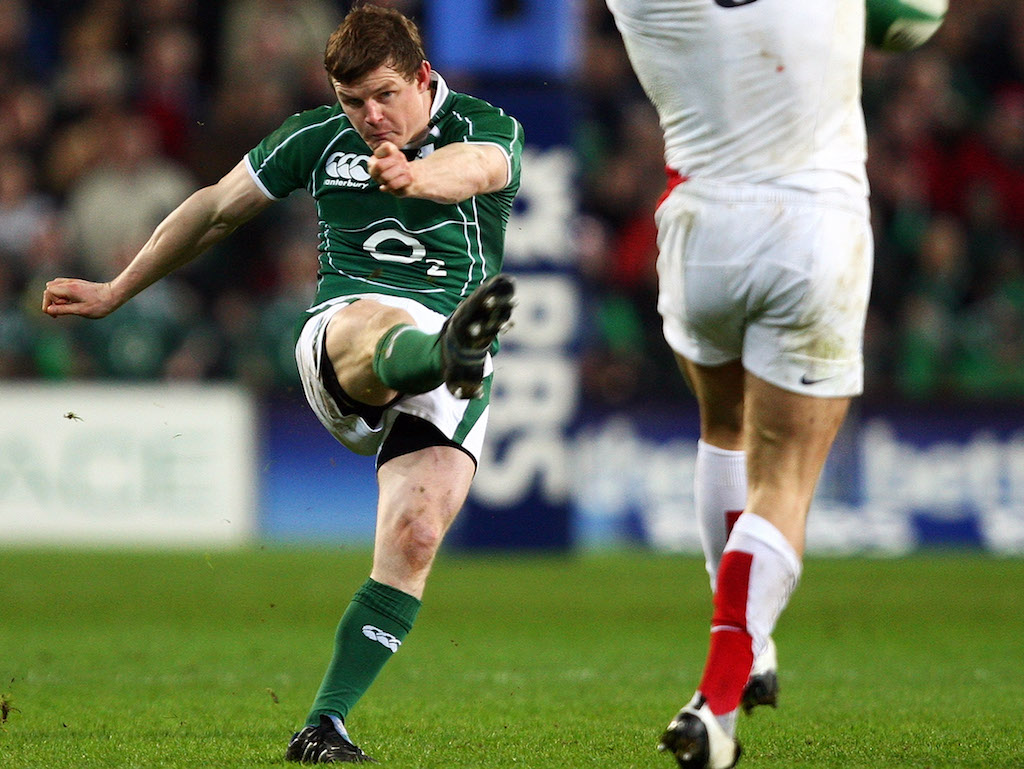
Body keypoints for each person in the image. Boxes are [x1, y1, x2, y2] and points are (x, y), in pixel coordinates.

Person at [42, 5, 523, 763]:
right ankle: (441, 352)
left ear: (423, 77)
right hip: (344, 335)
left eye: (385, 96)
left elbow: (481, 169)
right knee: (380, 320)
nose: (370, 117)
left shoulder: (486, 125)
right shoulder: (315, 138)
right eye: (352, 101)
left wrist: (416, 176)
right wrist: (115, 289)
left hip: (453, 352)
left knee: (416, 535)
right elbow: (213, 210)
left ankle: (323, 726)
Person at [604, 0, 873, 767]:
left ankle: (753, 645)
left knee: (723, 431)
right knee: (783, 479)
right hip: (811, 223)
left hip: (700, 231)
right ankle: (717, 700)